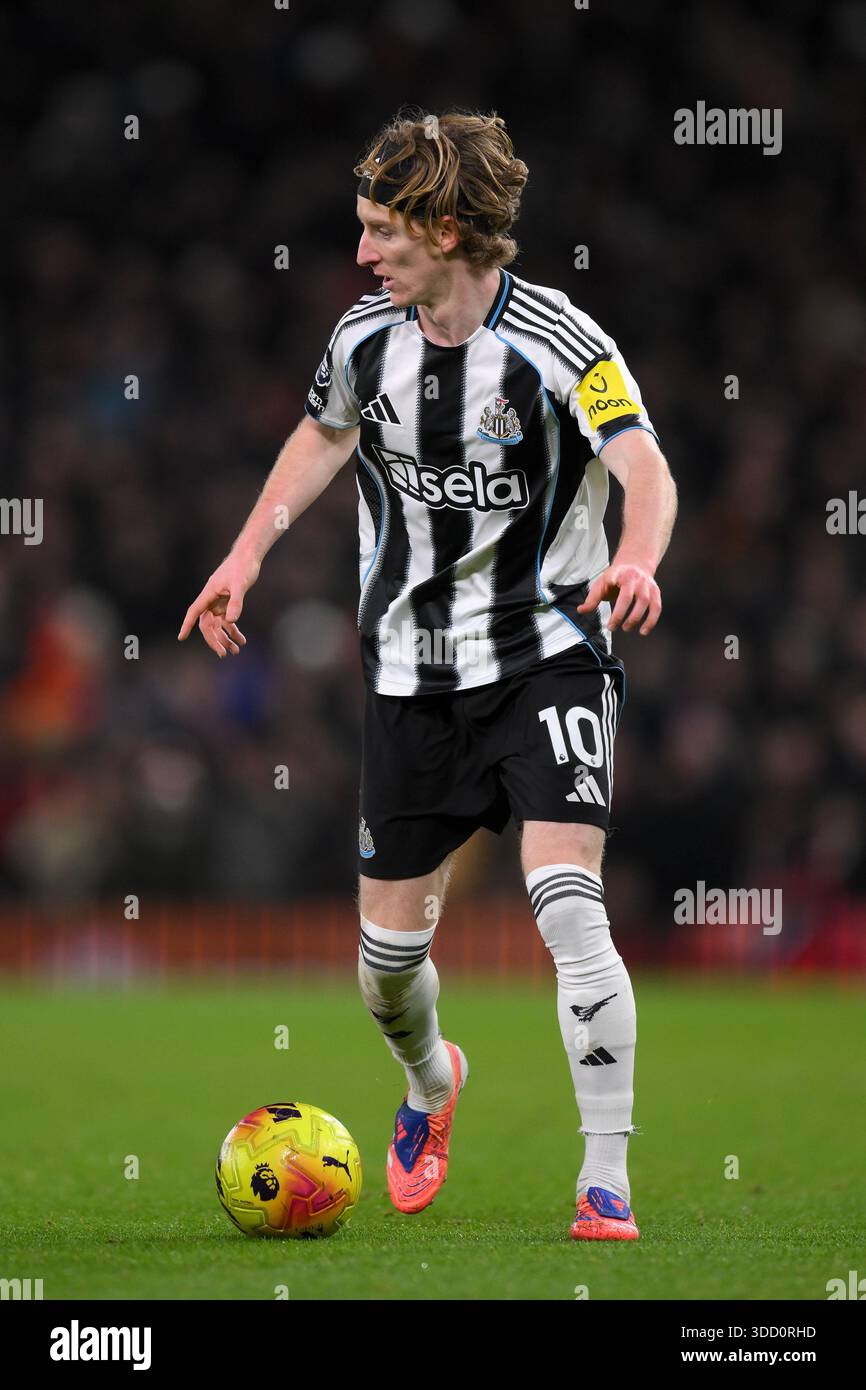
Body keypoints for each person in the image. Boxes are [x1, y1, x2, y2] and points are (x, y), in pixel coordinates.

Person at [179, 108, 677, 1241]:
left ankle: (605, 1177)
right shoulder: (365, 339)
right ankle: (430, 1082)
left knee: (566, 903)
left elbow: (642, 463)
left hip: (550, 653)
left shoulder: (560, 340)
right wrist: (245, 552)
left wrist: (637, 557)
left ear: (446, 229)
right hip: (409, 676)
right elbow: (320, 435)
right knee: (386, 969)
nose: (360, 253)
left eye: (378, 232)